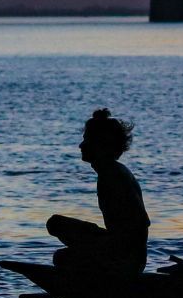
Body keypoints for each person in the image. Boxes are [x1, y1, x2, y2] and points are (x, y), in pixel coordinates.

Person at [47, 108, 150, 274]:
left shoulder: (113, 176)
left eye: (86, 140)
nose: (81, 145)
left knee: (63, 257)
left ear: (100, 145)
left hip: (126, 257)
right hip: (121, 250)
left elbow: (136, 229)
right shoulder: (110, 173)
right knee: (56, 224)